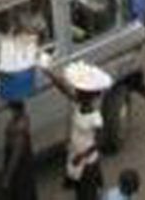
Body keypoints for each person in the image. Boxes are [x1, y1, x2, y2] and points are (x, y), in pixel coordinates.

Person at [42, 61, 107, 200]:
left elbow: (99, 141)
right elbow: (63, 87)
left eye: (80, 92)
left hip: (87, 163)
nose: (76, 92)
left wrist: (82, 156)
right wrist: (49, 73)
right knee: (79, 192)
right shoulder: (78, 104)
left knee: (87, 194)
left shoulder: (96, 118)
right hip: (75, 156)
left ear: (89, 96)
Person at [0, 99, 38, 200]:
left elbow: (15, 154)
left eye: (11, 109)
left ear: (16, 110)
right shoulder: (24, 120)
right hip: (25, 165)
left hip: (20, 170)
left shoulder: (18, 128)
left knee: (22, 194)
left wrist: (7, 176)